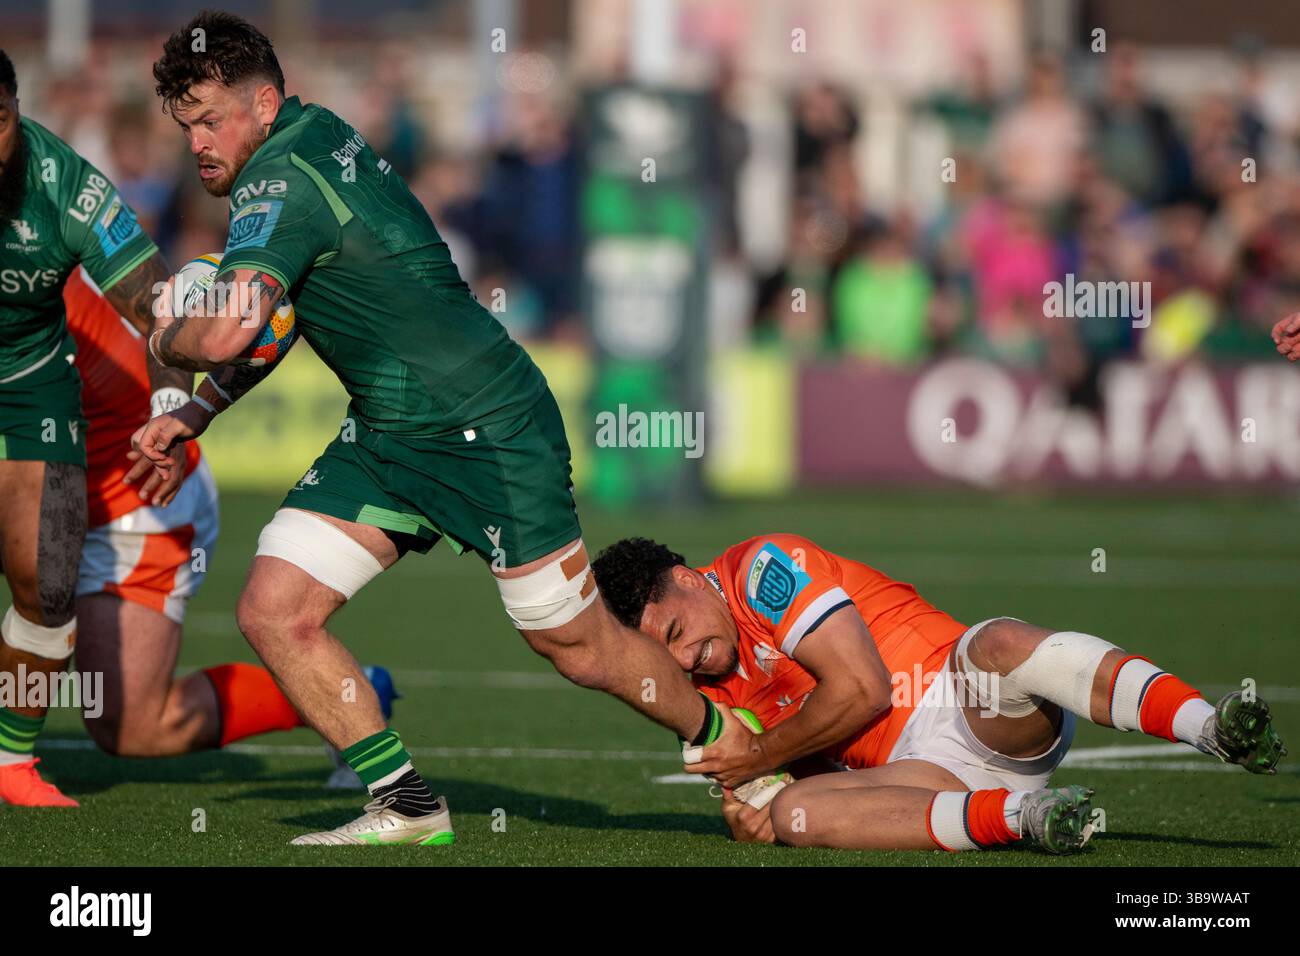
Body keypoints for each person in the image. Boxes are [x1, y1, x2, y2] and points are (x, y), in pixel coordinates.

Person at [130, 11, 734, 844]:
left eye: (209, 118)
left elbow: (233, 329)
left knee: (579, 644)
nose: (197, 141)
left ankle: (728, 740)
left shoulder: (278, 181)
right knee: (276, 609)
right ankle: (406, 804)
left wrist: (163, 334)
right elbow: (281, 320)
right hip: (392, 432)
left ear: (263, 103)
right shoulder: (315, 136)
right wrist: (197, 411)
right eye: (184, 125)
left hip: (485, 421)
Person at [592, 534, 1285, 852]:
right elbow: (766, 788)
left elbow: (862, 692)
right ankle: (1026, 818)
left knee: (999, 644)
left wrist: (757, 755)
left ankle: (1209, 727)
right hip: (920, 776)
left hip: (972, 701)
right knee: (800, 818)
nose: (689, 660)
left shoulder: (761, 568)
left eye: (680, 632)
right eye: (669, 656)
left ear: (687, 577)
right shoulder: (698, 682)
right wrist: (755, 806)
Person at [0, 49, 187, 806]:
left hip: (29, 383)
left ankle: (10, 760)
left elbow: (158, 310)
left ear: (16, 111)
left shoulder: (67, 188)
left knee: (46, 580)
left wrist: (172, 414)